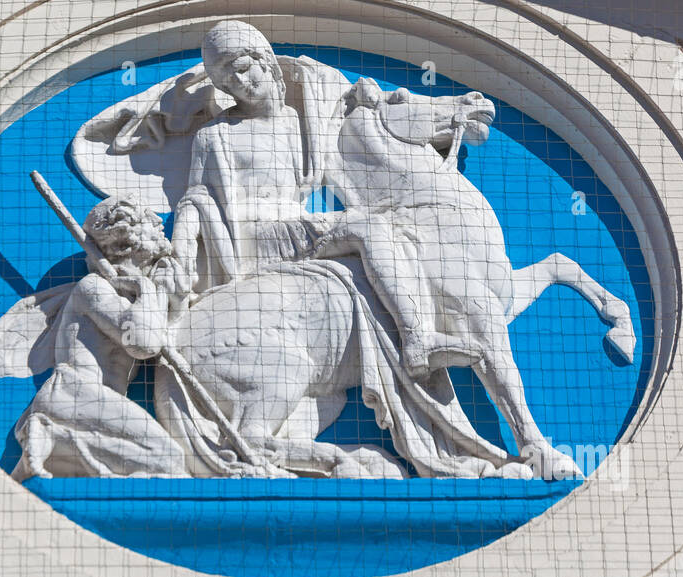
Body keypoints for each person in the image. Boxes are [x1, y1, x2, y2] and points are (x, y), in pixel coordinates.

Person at [171, 20, 473, 379]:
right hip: (256, 237)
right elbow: (196, 199)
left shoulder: (298, 120)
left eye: (241, 69)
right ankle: (417, 338)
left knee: (388, 228)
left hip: (293, 226)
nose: (240, 84)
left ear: (264, 59)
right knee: (368, 226)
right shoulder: (214, 135)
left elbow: (339, 117)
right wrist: (181, 251)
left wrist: (368, 100)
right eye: (227, 82)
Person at [11, 194, 190, 480]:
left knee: (165, 461)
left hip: (97, 400)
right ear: (122, 238)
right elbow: (144, 343)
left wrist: (173, 298)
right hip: (73, 394)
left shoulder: (125, 297)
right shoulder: (93, 287)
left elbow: (164, 336)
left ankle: (56, 438)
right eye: (146, 218)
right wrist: (147, 288)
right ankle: (49, 434)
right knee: (168, 458)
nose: (159, 221)